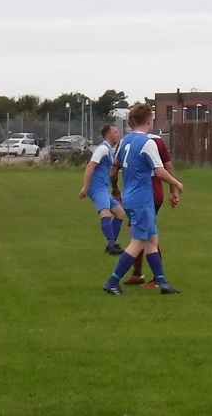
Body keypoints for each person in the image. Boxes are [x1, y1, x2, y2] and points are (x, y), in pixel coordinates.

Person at [102, 104, 184, 295]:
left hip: (129, 197)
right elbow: (160, 170)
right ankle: (112, 281)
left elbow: (114, 169)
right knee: (138, 242)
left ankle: (162, 283)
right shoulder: (148, 143)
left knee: (151, 240)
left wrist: (115, 188)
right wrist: (177, 184)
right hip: (142, 199)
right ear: (149, 120)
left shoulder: (125, 141)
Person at [125, 130, 177, 286]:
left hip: (149, 193)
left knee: (145, 234)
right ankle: (138, 273)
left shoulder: (131, 141)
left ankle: (154, 277)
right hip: (147, 193)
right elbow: (169, 167)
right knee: (141, 231)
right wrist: (173, 191)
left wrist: (174, 190)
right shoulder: (155, 141)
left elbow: (166, 168)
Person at [79, 123, 126, 255]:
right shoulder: (103, 149)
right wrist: (86, 187)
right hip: (97, 187)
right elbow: (90, 166)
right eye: (116, 132)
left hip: (103, 187)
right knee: (106, 213)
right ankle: (112, 245)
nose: (118, 135)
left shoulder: (108, 150)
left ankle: (112, 244)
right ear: (108, 134)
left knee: (120, 213)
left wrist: (113, 188)